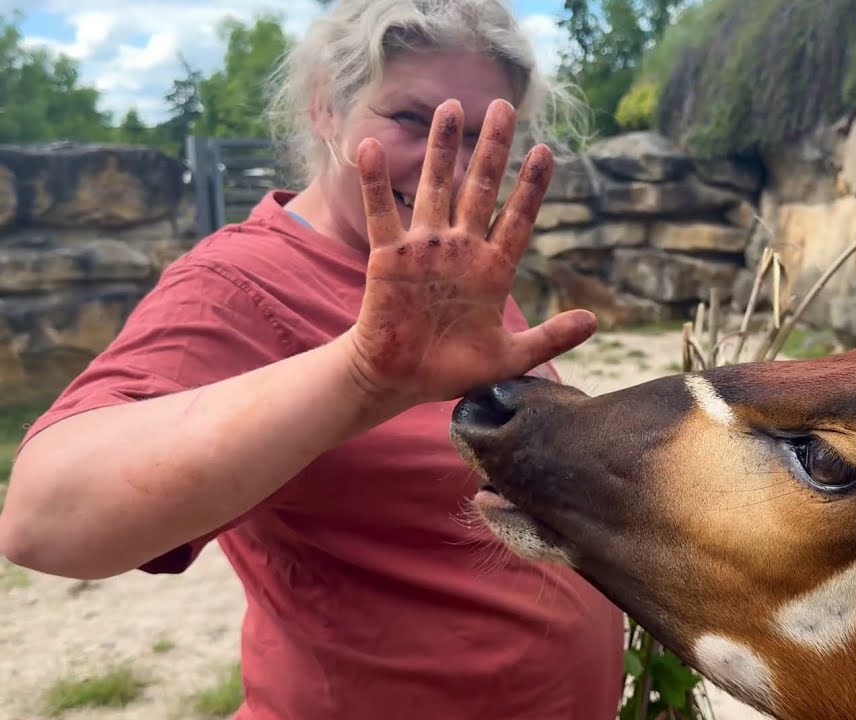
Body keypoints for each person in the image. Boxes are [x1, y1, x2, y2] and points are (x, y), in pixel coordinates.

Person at [0, 1, 624, 718]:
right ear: (327, 108)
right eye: (413, 121)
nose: (443, 168)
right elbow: (42, 521)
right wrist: (360, 375)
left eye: (484, 136)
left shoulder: (445, 263)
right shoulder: (242, 283)